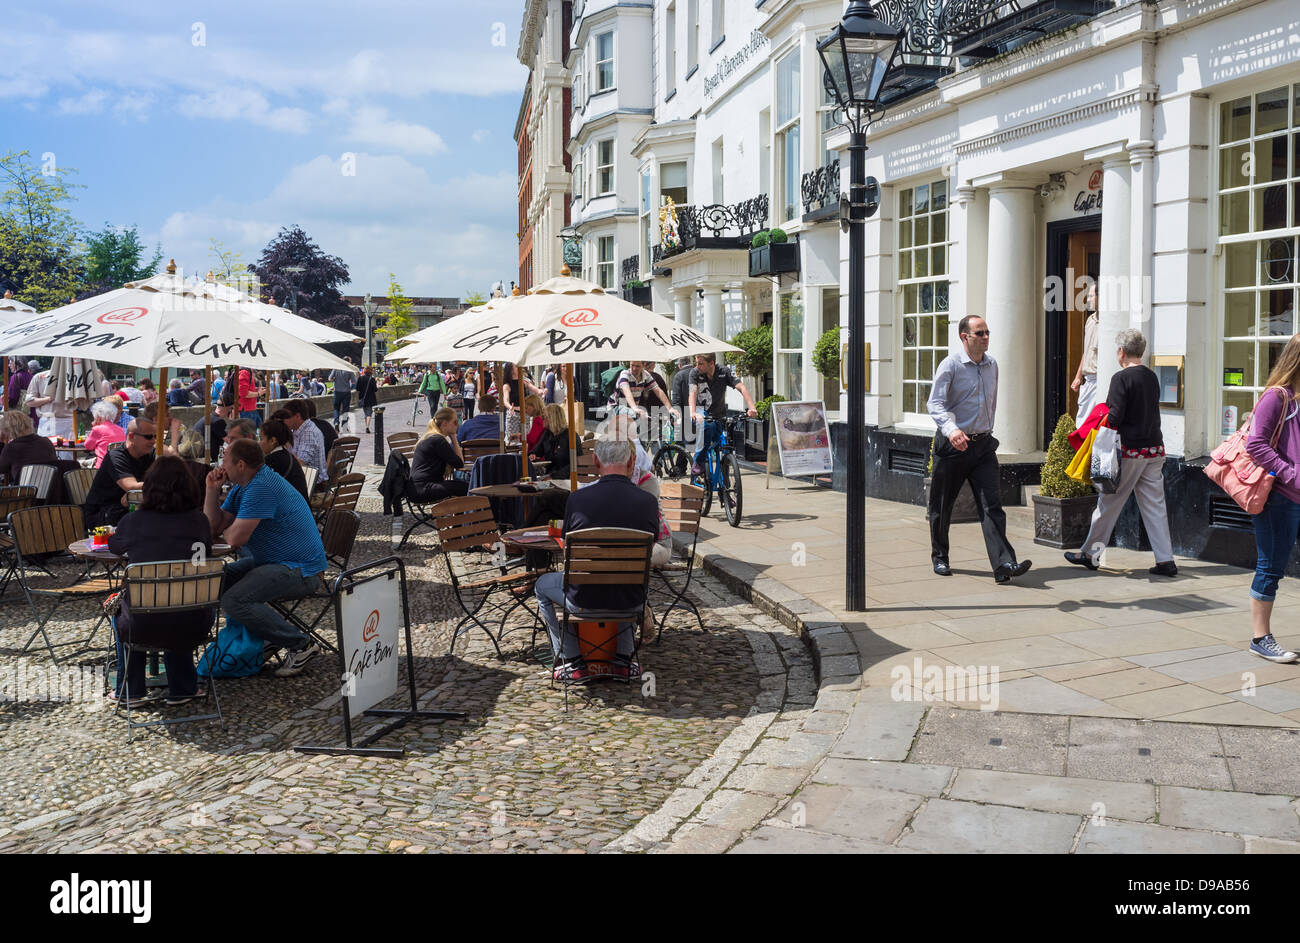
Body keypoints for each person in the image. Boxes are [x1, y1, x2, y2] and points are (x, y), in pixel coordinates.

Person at [533, 437, 659, 681]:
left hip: (584, 598)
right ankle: (623, 660)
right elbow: (651, 547)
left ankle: (571, 660)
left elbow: (568, 547)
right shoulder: (647, 502)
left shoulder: (578, 500)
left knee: (541, 585)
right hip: (632, 599)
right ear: (632, 461)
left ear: (595, 462)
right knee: (621, 576)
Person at [203, 439, 327, 677]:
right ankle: (262, 637)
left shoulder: (261, 486)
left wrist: (227, 530)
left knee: (234, 600)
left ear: (240, 464)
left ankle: (301, 644)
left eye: (225, 461)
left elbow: (234, 539)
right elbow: (213, 527)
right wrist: (211, 490)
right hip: (273, 561)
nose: (221, 466)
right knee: (214, 581)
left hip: (301, 569)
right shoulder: (243, 486)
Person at [927, 315, 1031, 584]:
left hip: (983, 446)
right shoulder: (950, 365)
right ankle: (940, 556)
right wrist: (952, 430)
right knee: (942, 505)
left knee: (992, 506)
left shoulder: (992, 365)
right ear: (965, 337)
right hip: (953, 446)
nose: (986, 337)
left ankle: (1003, 563)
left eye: (987, 332)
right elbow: (935, 404)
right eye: (980, 333)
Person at [1065, 329, 1176, 578]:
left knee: (1108, 504)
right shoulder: (1151, 377)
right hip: (1155, 450)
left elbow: (1114, 418)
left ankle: (1090, 554)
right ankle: (1166, 560)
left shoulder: (1120, 378)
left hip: (1129, 452)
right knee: (1155, 506)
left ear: (1121, 352)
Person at [106, 456, 213, 706]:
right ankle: (183, 687)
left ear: (149, 488)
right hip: (194, 622)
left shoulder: (133, 522)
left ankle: (130, 690)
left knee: (123, 607)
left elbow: (114, 545)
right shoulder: (199, 521)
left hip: (141, 625)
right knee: (182, 596)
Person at [1238, 334, 1300, 663]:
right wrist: (1290, 473)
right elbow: (1256, 445)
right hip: (1279, 497)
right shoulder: (1277, 398)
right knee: (1271, 566)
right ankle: (1260, 638)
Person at [687, 352, 756, 477]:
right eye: (696, 363)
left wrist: (752, 408)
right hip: (701, 412)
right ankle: (698, 462)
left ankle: (724, 474)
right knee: (706, 426)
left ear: (711, 363)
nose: (697, 366)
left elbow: (742, 387)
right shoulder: (695, 373)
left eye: (701, 363)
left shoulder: (724, 371)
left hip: (719, 413)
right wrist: (692, 412)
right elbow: (693, 393)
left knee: (722, 443)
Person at [83, 417, 157, 527]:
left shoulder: (149, 453)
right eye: (148, 437)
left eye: (155, 436)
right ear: (131, 436)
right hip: (102, 515)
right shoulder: (116, 457)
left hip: (129, 507)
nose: (153, 441)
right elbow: (132, 487)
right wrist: (160, 484)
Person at [409, 409, 470, 503]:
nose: (457, 425)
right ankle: (467, 515)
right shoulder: (438, 440)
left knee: (462, 486)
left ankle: (459, 514)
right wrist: (454, 438)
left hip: (417, 488)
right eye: (455, 422)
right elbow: (459, 464)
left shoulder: (431, 437)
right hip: (424, 489)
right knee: (469, 487)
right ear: (445, 423)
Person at [1071, 279, 1100, 426]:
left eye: (1091, 296)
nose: (1088, 299)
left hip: (1099, 381)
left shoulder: (1108, 324)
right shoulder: (1090, 320)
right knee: (1082, 425)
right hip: (1088, 381)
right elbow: (1086, 351)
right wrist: (1078, 377)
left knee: (1093, 427)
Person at [259, 418, 309, 502]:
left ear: (272, 441)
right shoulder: (285, 455)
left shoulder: (273, 460)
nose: (259, 443)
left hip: (293, 512)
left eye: (261, 439)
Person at [0, 409, 57, 483]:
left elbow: (2, 468)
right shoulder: (46, 442)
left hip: (25, 490)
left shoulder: (11, 448)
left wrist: (1, 442)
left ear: (8, 430)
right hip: (48, 488)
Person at [278, 401, 328, 484]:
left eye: (286, 418)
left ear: (297, 416)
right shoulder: (298, 430)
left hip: (312, 484)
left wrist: (283, 445)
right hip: (304, 478)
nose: (284, 421)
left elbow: (300, 463)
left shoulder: (308, 433)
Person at [25, 366, 75, 439]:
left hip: (68, 423)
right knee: (46, 449)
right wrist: (48, 399)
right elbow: (29, 402)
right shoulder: (40, 377)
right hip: (47, 423)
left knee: (67, 450)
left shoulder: (74, 377)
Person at [84, 400, 127, 467]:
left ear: (98, 417)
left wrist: (94, 427)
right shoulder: (120, 429)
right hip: (119, 465)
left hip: (103, 467)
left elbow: (88, 446)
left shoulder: (97, 429)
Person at [330, 361, 356, 430]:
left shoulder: (336, 368)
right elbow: (354, 381)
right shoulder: (349, 370)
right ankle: (344, 425)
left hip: (337, 391)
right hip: (346, 392)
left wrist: (334, 379)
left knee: (336, 408)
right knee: (345, 409)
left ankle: (336, 422)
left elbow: (329, 378)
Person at [356, 366, 379, 434]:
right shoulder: (372, 379)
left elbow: (357, 388)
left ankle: (366, 425)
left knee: (366, 413)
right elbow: (375, 389)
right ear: (371, 371)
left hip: (362, 398)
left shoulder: (360, 378)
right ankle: (367, 427)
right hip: (371, 398)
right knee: (369, 413)